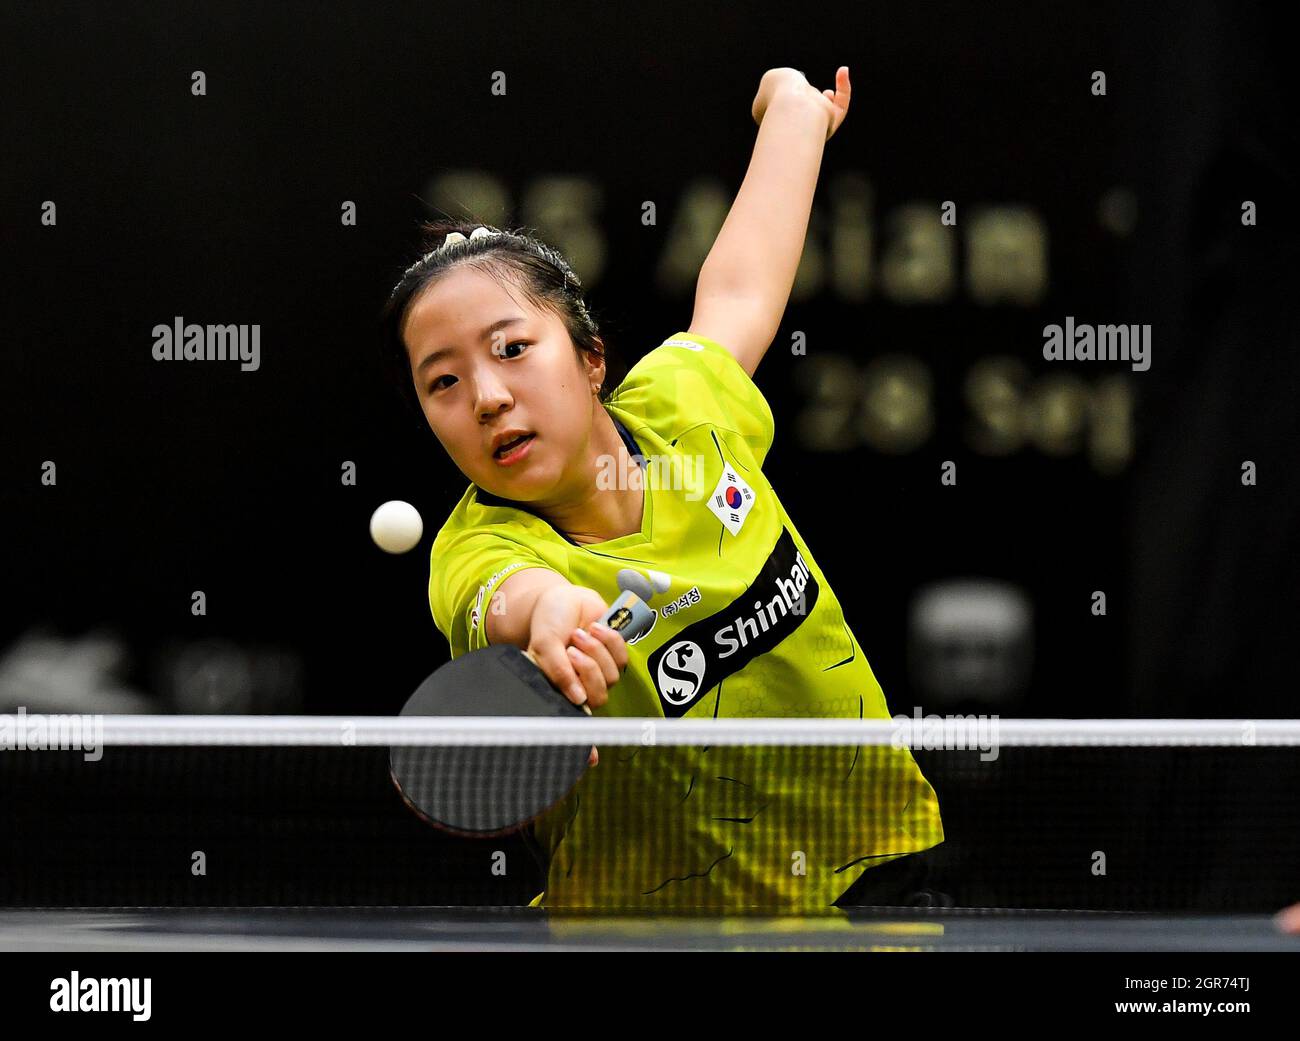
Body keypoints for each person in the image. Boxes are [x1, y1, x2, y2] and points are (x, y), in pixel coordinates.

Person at [380, 66, 944, 914]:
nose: (487, 397)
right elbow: (509, 596)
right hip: (644, 932)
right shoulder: (477, 549)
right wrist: (552, 614)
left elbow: (742, 287)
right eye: (443, 382)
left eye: (511, 349)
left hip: (871, 879)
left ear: (591, 358)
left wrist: (795, 112)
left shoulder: (686, 408)